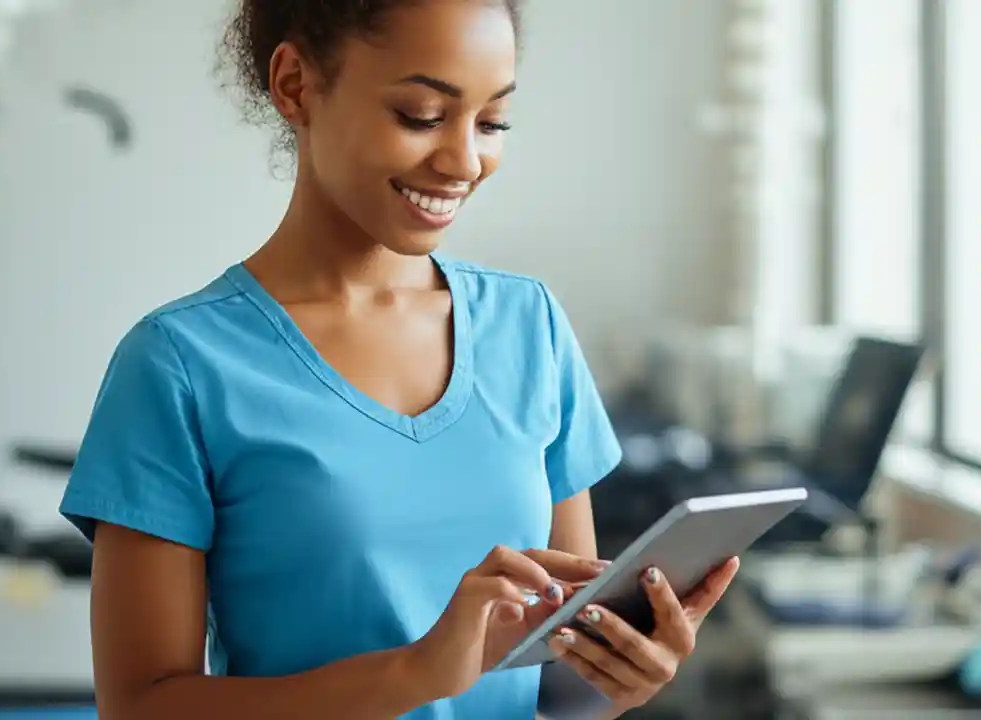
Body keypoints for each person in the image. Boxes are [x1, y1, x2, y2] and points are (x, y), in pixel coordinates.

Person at [57, 0, 739, 717]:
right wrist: (414, 673)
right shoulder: (179, 365)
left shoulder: (528, 326)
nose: (465, 161)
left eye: (492, 122)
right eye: (421, 115)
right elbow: (140, 707)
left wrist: (621, 674)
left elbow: (555, 678)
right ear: (295, 84)